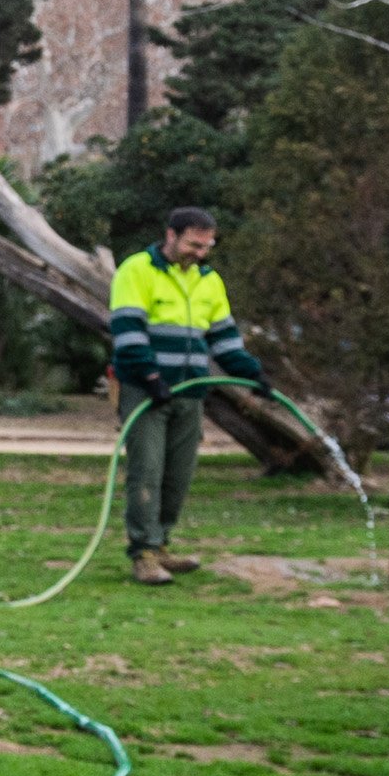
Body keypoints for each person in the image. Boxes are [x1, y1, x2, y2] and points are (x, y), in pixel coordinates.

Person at [108, 205, 265, 587]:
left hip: (191, 391)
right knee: (146, 470)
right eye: (194, 245)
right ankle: (143, 554)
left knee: (179, 474)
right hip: (147, 392)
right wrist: (150, 377)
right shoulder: (137, 270)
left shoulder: (209, 280)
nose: (200, 253)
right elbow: (128, 331)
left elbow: (224, 339)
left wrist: (253, 373)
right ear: (171, 236)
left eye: (207, 247)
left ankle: (162, 545)